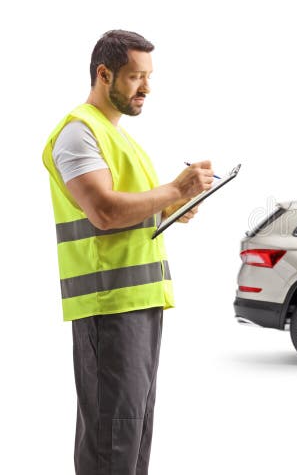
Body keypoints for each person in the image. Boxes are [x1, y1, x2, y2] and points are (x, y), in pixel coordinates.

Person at [41, 30, 215, 475]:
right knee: (113, 440)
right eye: (136, 76)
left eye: (148, 76)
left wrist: (170, 207)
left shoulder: (118, 138)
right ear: (104, 75)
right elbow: (103, 211)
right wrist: (173, 189)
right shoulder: (79, 133)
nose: (146, 88)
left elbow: (130, 210)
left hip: (137, 302)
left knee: (131, 436)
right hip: (110, 304)